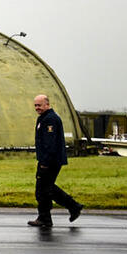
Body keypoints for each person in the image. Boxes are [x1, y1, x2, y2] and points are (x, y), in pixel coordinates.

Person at [29, 94, 84, 228]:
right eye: (35, 105)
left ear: (47, 104)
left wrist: (45, 163)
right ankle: (46, 217)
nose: (37, 108)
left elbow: (50, 144)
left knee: (44, 189)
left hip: (50, 161)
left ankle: (72, 207)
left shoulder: (50, 119)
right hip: (46, 159)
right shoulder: (43, 118)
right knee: (45, 189)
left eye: (39, 105)